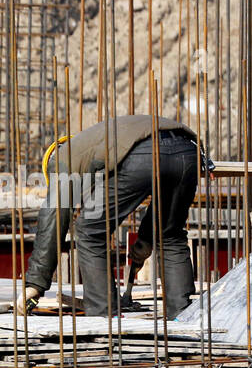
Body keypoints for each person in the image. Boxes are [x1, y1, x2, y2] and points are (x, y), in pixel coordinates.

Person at [22, 115, 209, 319]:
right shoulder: (101, 144)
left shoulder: (63, 160)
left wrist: (35, 284)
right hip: (189, 151)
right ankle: (182, 318)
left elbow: (53, 218)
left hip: (145, 154)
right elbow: (161, 180)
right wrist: (145, 242)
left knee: (90, 232)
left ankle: (104, 318)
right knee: (170, 234)